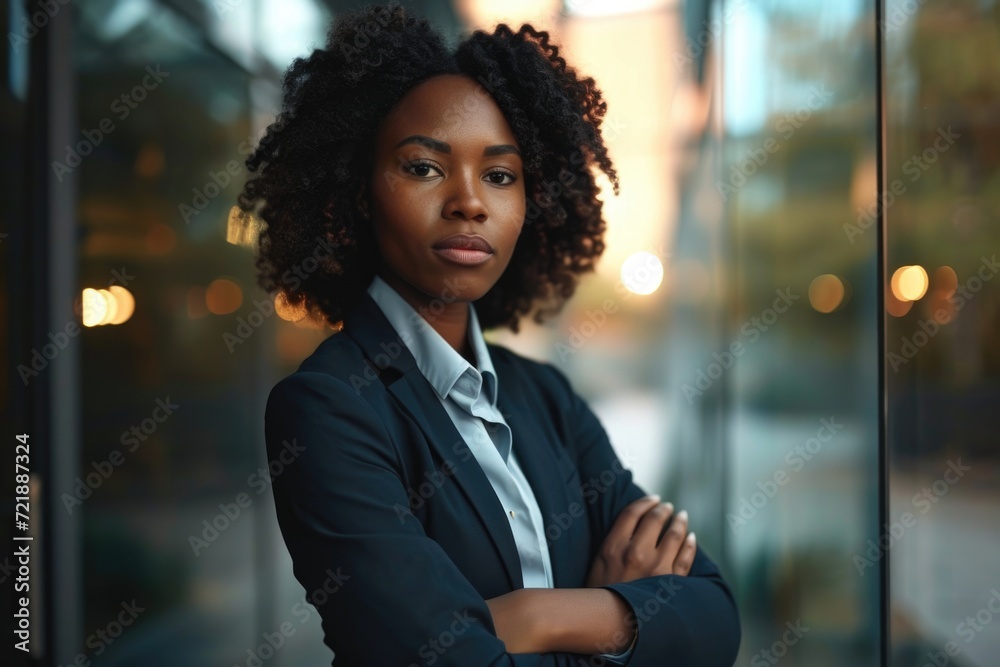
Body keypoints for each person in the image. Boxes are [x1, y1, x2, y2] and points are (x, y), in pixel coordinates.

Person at [235, 4, 740, 665]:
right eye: (423, 166)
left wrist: (537, 616)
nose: (470, 200)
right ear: (358, 193)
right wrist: (616, 616)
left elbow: (713, 619)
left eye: (500, 174)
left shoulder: (544, 394)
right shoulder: (329, 407)